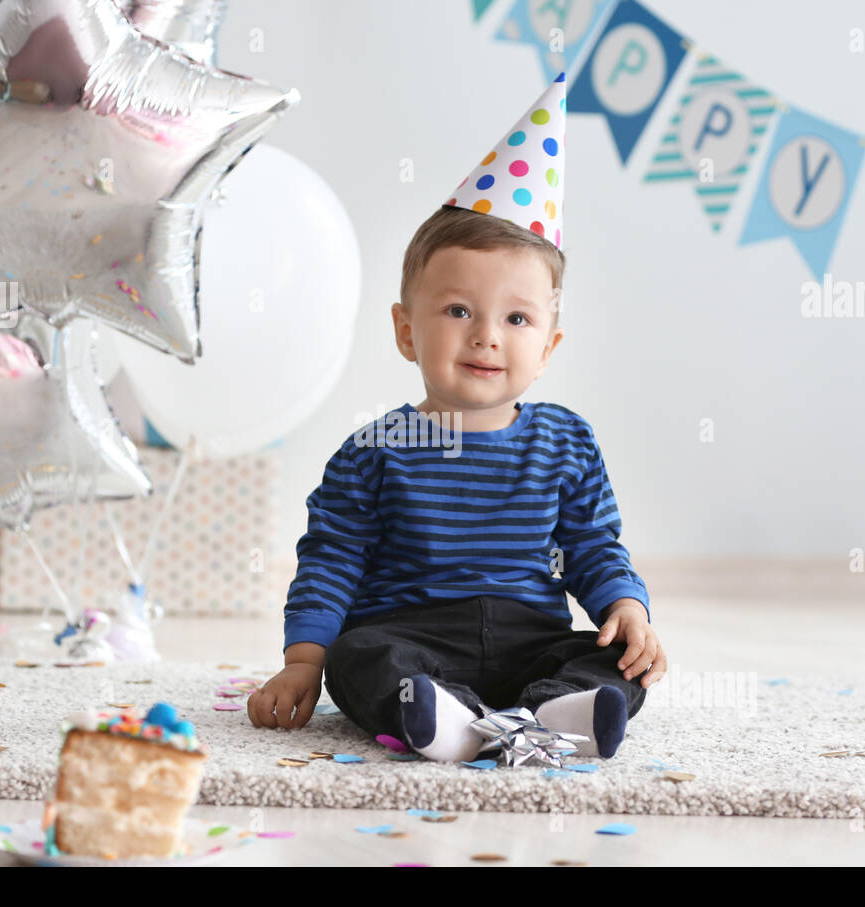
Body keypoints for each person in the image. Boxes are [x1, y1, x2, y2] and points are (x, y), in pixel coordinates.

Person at [249, 74, 667, 762]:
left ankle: (557, 709)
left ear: (548, 347)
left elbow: (592, 544)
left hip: (531, 638)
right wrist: (303, 661)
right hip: (410, 635)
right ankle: (442, 716)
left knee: (618, 662)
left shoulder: (566, 442)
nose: (487, 335)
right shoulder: (375, 450)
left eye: (517, 317)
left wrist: (628, 608)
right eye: (457, 311)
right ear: (407, 330)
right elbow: (332, 560)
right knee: (358, 658)